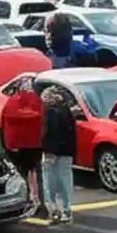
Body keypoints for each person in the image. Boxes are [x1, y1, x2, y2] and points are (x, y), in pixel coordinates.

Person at [1, 76, 45, 212]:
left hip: (16, 145)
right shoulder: (38, 102)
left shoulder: (12, 102)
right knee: (35, 173)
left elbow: (3, 121)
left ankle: (25, 199)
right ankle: (36, 199)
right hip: (35, 144)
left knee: (21, 174)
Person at [40, 87, 77, 224]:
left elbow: (51, 131)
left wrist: (47, 149)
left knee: (49, 181)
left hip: (52, 150)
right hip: (67, 150)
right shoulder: (66, 110)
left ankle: (53, 210)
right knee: (66, 179)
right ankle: (67, 210)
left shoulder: (49, 112)